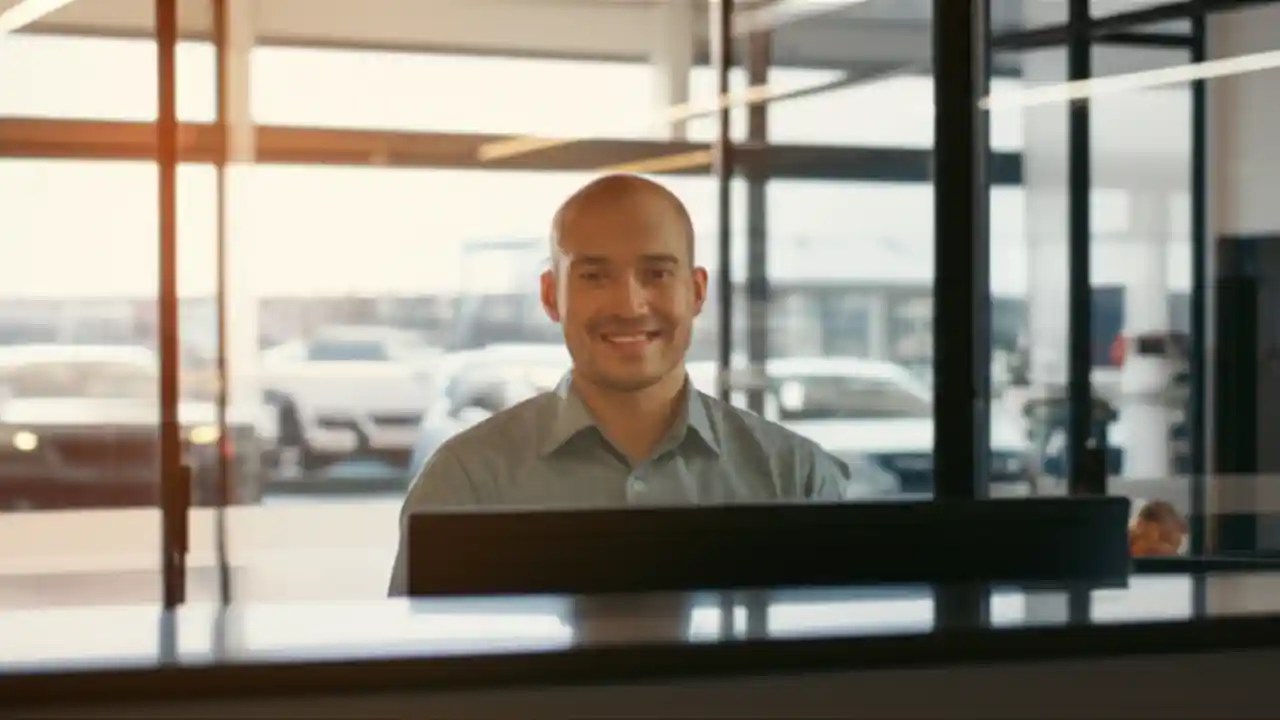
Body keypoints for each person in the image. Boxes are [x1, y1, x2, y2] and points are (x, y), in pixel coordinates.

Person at [388, 174, 856, 595]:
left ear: (696, 291)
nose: (630, 305)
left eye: (656, 274)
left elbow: (848, 681)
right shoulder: (466, 483)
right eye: (594, 276)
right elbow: (422, 681)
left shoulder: (797, 478)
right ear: (552, 296)